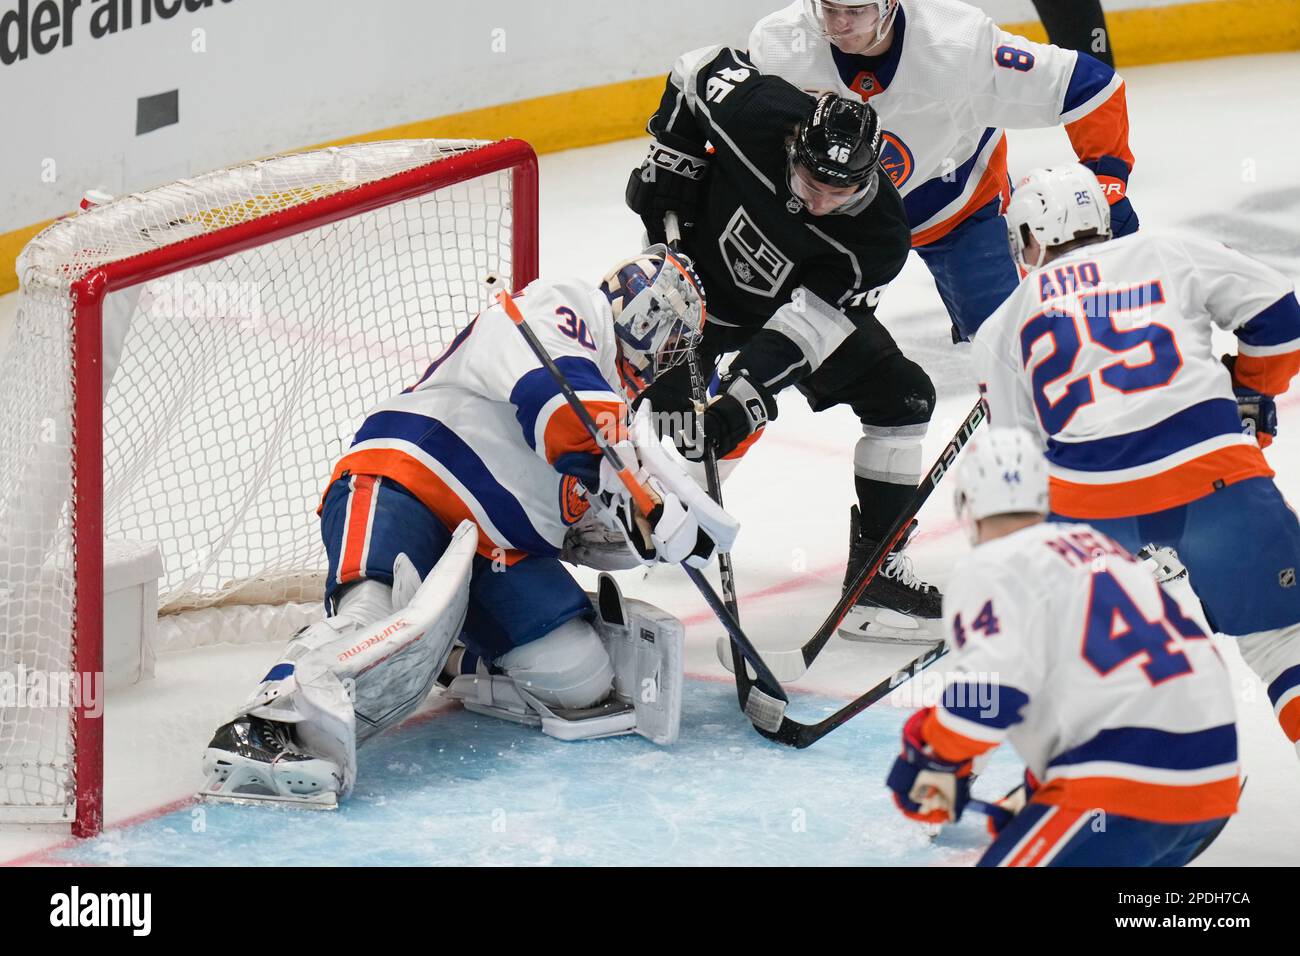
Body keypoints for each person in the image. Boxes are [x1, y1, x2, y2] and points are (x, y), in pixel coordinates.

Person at [200, 248, 740, 806]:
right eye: (675, 338)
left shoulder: (623, 418)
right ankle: (261, 728)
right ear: (648, 315)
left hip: (498, 551)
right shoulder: (573, 309)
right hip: (412, 477)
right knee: (371, 619)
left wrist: (651, 538)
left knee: (581, 680)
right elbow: (559, 405)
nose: (673, 357)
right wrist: (641, 489)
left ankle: (447, 655)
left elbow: (591, 533)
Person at [973, 163, 1300, 761]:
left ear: (1027, 237)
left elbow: (1019, 468)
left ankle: (1101, 800)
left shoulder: (1002, 324)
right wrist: (1253, 393)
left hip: (1092, 507)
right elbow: (1281, 320)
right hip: (1216, 478)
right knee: (1283, 641)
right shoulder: (1167, 249)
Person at [626, 46, 941, 641]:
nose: (821, 200)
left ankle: (875, 577)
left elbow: (806, 325)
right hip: (685, 288)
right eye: (811, 181)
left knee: (904, 400)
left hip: (780, 313)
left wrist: (740, 402)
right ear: (794, 146)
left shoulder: (877, 238)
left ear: (870, 174)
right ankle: (609, 533)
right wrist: (674, 166)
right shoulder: (760, 113)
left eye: (839, 192)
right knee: (648, 426)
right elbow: (693, 69)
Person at [886, 428, 1240, 866]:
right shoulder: (1105, 551)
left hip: (1126, 779)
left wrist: (932, 756)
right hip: (1215, 774)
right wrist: (1037, 798)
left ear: (966, 505)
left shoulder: (990, 567)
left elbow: (989, 698)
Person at [748, 0, 1137, 340]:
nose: (839, 25)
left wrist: (1108, 180)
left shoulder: (959, 42)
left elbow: (1087, 85)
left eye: (855, 10)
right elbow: (736, 131)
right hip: (825, 213)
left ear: (889, 4)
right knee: (752, 325)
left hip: (955, 206)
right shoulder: (779, 43)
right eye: (829, 8)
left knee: (1008, 338)